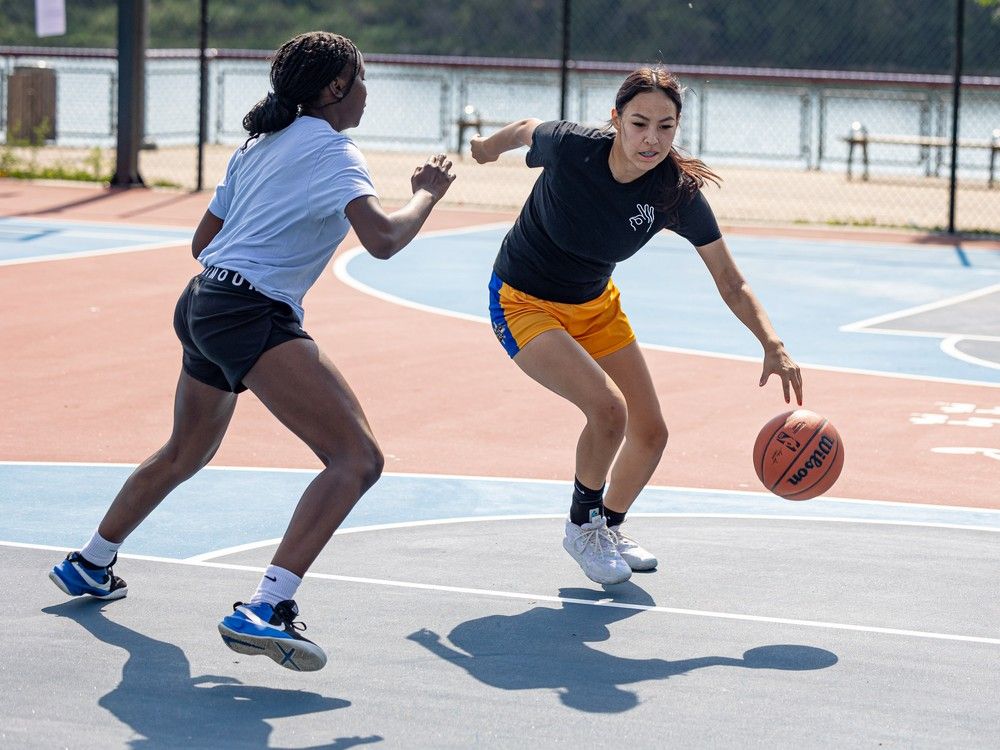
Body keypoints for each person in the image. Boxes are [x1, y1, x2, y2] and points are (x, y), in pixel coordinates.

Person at [48, 31, 455, 672]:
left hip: (202, 301)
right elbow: (381, 240)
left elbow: (202, 240)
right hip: (248, 311)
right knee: (357, 459)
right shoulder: (335, 152)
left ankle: (91, 562)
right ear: (336, 89)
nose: (368, 91)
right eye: (362, 78)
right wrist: (427, 192)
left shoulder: (258, 144)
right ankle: (266, 608)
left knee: (186, 450)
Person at [470, 67, 802, 586]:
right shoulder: (572, 148)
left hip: (595, 304)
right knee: (608, 410)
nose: (652, 139)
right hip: (523, 300)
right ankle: (582, 525)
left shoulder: (676, 192)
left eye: (665, 127)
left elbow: (730, 280)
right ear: (616, 119)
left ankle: (609, 525)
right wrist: (487, 148)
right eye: (640, 123)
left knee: (651, 432)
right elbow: (525, 129)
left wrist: (772, 342)